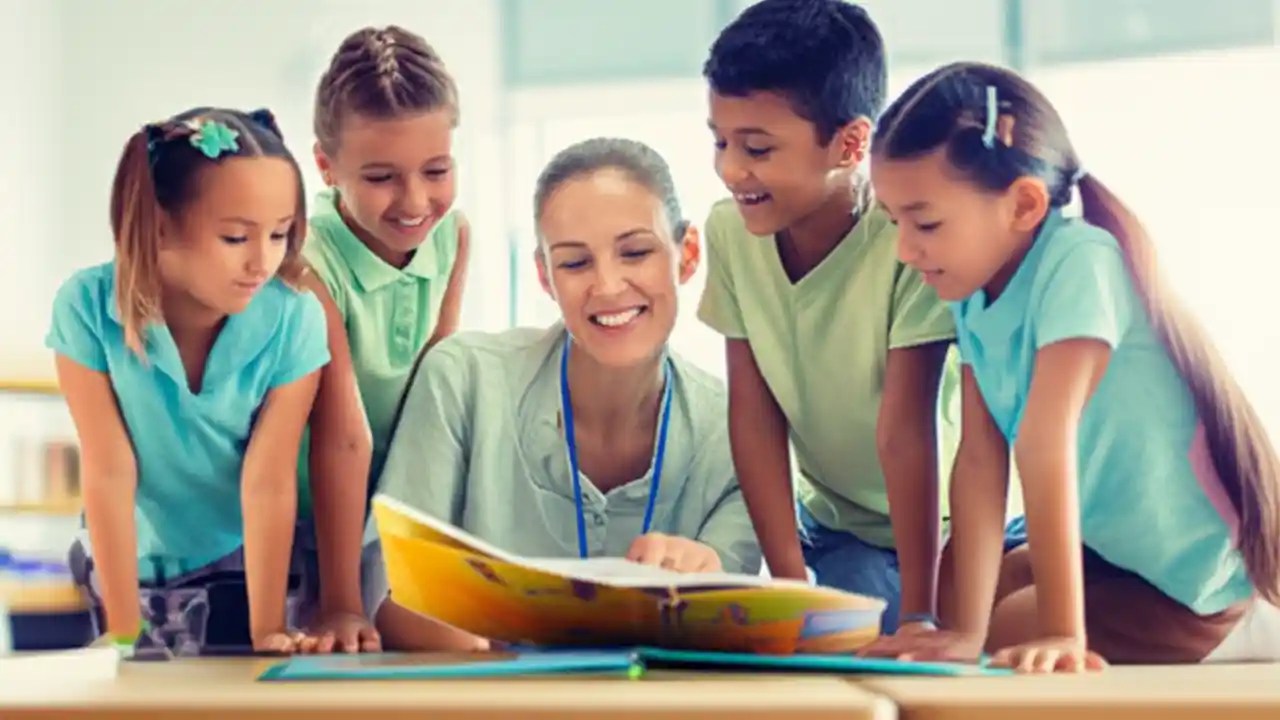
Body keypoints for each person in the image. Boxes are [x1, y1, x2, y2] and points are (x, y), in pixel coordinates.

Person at [867, 60, 1280, 671]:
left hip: (1194, 586)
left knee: (1006, 632)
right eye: (894, 222)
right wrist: (960, 630)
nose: (905, 249)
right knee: (966, 603)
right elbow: (981, 458)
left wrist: (1064, 635)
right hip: (1114, 555)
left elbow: (1043, 441)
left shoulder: (1082, 262)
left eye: (925, 223)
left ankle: (1254, 633)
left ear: (1024, 204)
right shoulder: (973, 293)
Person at [373, 138, 763, 650]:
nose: (607, 285)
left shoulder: (740, 435)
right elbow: (387, 593)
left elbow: (724, 626)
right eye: (576, 263)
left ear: (686, 255)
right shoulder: (463, 380)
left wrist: (704, 577)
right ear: (545, 276)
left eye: (636, 252)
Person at [699, 0, 984, 633]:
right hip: (835, 528)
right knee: (806, 633)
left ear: (850, 142)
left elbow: (905, 431)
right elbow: (754, 415)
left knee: (892, 629)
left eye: (757, 147)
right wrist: (789, 582)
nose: (729, 169)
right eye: (719, 140)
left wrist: (920, 612)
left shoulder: (906, 238)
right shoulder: (731, 232)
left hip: (944, 532)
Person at [47, 107, 329, 656]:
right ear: (160, 223)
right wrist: (122, 632)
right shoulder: (84, 306)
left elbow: (269, 478)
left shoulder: (296, 318)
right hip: (126, 559)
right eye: (234, 238)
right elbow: (108, 469)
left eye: (279, 235)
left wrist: (267, 627)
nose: (262, 261)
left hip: (247, 563)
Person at [297, 25, 470, 652]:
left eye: (437, 170)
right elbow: (340, 433)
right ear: (326, 164)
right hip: (304, 522)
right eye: (381, 177)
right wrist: (341, 603)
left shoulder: (454, 238)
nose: (415, 201)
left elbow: (437, 395)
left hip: (385, 510)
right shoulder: (308, 259)